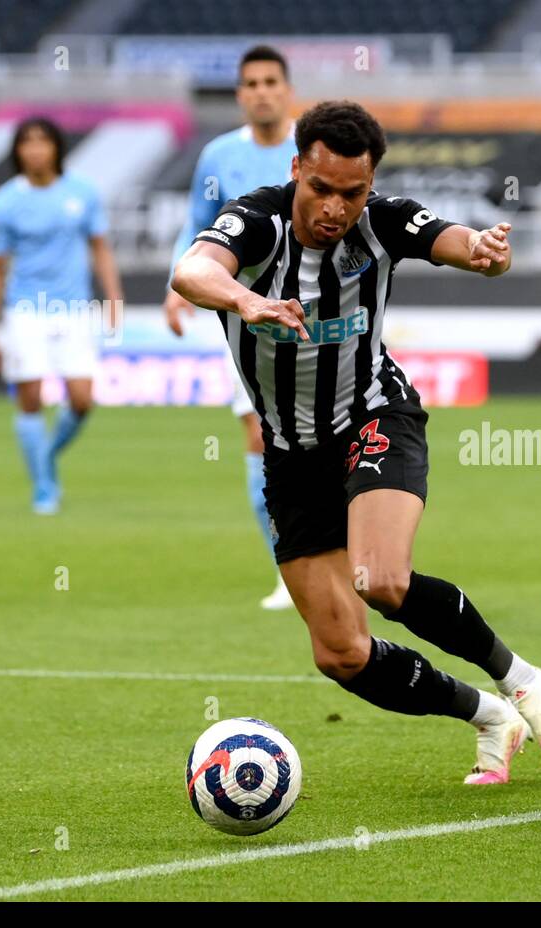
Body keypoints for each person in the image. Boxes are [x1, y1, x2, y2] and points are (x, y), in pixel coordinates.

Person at [172, 100, 541, 784]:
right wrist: (244, 300)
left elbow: (452, 239)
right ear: (297, 168)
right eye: (322, 188)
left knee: (382, 580)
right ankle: (488, 715)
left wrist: (483, 253)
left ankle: (522, 679)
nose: (335, 207)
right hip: (291, 453)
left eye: (352, 192)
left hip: (373, 415)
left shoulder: (381, 221)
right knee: (339, 653)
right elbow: (193, 271)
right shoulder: (256, 221)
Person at [165, 45, 298, 609]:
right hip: (239, 317)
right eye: (251, 83)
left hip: (319, 313)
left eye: (271, 81)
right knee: (261, 438)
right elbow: (199, 229)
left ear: (286, 88)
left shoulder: (312, 148)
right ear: (240, 94)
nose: (262, 91)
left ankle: (347, 558)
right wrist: (176, 284)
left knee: (330, 442)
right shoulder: (219, 156)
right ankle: (289, 569)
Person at [0, 117, 122, 514]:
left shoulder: (82, 192)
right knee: (30, 400)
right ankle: (44, 486)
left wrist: (114, 298)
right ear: (18, 151)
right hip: (25, 311)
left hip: (74, 309)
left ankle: (45, 456)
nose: (36, 150)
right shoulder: (4, 203)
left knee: (82, 400)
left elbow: (100, 248)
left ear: (57, 147)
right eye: (28, 143)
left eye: (43, 142)